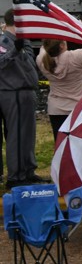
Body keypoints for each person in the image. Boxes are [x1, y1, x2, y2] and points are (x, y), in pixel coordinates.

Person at [0, 10, 42, 187]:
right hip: (13, 92)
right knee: (16, 135)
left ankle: (28, 170)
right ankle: (16, 176)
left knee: (27, 135)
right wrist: (14, 50)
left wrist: (23, 45)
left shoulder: (24, 41)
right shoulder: (4, 42)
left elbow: (29, 62)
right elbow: (2, 63)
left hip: (26, 92)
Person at [36, 39, 82, 136]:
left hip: (56, 110)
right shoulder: (76, 57)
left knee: (62, 143)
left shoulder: (41, 59)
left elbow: (44, 47)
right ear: (61, 45)